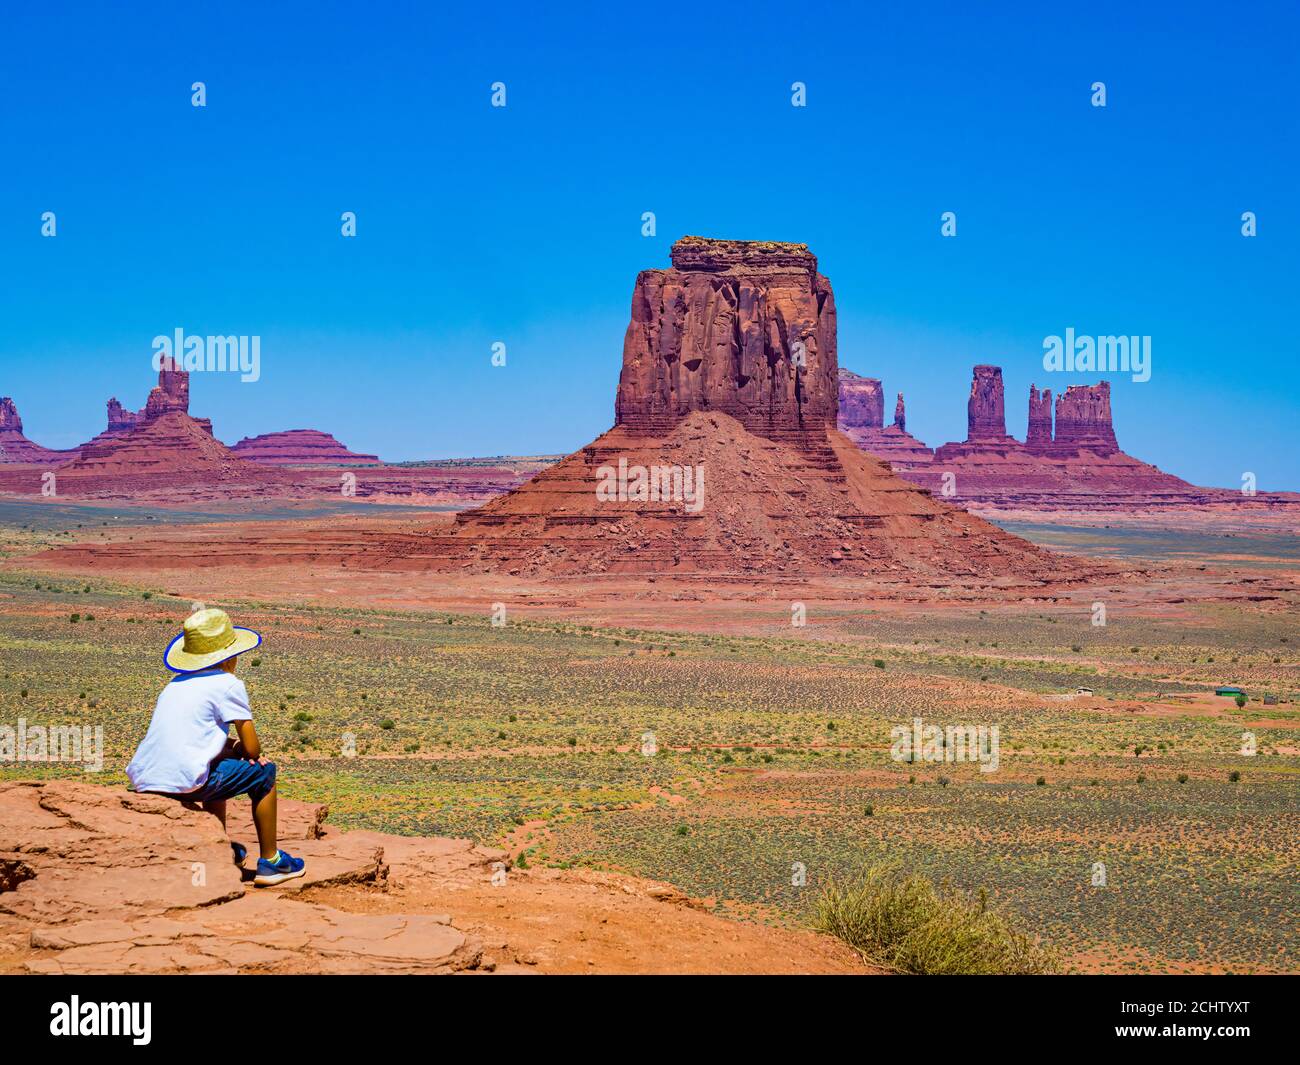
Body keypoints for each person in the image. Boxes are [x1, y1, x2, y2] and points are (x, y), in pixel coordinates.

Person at [126, 607, 306, 887]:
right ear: (228, 657)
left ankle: (218, 848)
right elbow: (253, 750)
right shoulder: (228, 683)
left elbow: (194, 737)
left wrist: (231, 749)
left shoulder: (174, 685)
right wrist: (243, 752)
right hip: (187, 782)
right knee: (265, 773)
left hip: (147, 779)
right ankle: (271, 862)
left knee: (215, 767)